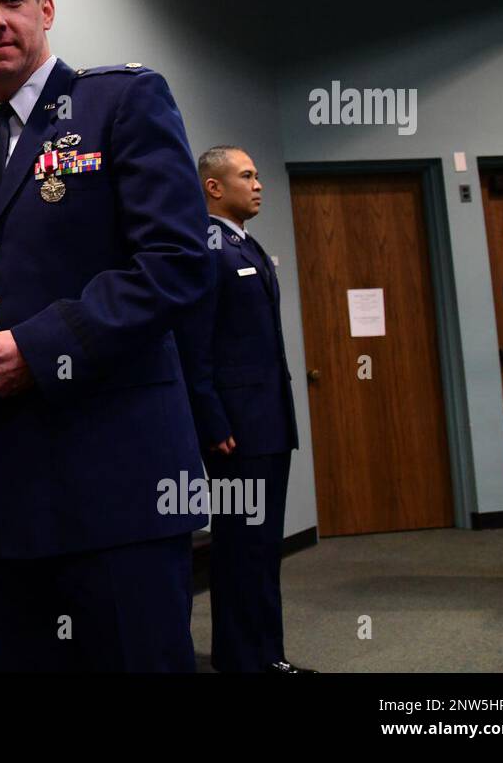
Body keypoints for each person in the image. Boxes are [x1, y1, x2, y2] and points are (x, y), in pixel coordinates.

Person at [0, 0, 213, 670]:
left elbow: (176, 263)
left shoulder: (122, 101)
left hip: (115, 482)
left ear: (46, 8)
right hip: (2, 495)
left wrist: (41, 349)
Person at [175, 146, 313, 672]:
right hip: (236, 430)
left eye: (258, 174)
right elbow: (195, 341)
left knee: (260, 547)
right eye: (247, 175)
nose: (258, 184)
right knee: (242, 548)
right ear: (213, 187)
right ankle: (247, 659)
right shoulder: (208, 247)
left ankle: (261, 654)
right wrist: (211, 418)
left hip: (266, 422)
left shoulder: (242, 244)